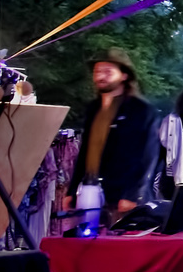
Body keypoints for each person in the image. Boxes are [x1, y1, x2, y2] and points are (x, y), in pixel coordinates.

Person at [68, 49, 159, 215]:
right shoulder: (93, 108)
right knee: (85, 239)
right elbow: (84, 153)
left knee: (120, 239)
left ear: (124, 76)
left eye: (108, 72)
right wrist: (72, 190)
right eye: (97, 72)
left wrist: (134, 194)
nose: (101, 77)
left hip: (124, 196)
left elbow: (148, 156)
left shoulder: (141, 110)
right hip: (91, 191)